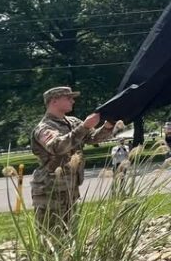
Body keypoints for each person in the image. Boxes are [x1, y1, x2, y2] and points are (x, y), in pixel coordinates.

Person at [31, 86, 112, 229]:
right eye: (68, 98)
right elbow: (57, 147)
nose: (73, 101)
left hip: (70, 187)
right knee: (52, 234)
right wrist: (85, 126)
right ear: (54, 101)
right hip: (51, 191)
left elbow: (92, 138)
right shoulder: (44, 128)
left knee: (70, 230)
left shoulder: (73, 121)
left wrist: (108, 126)